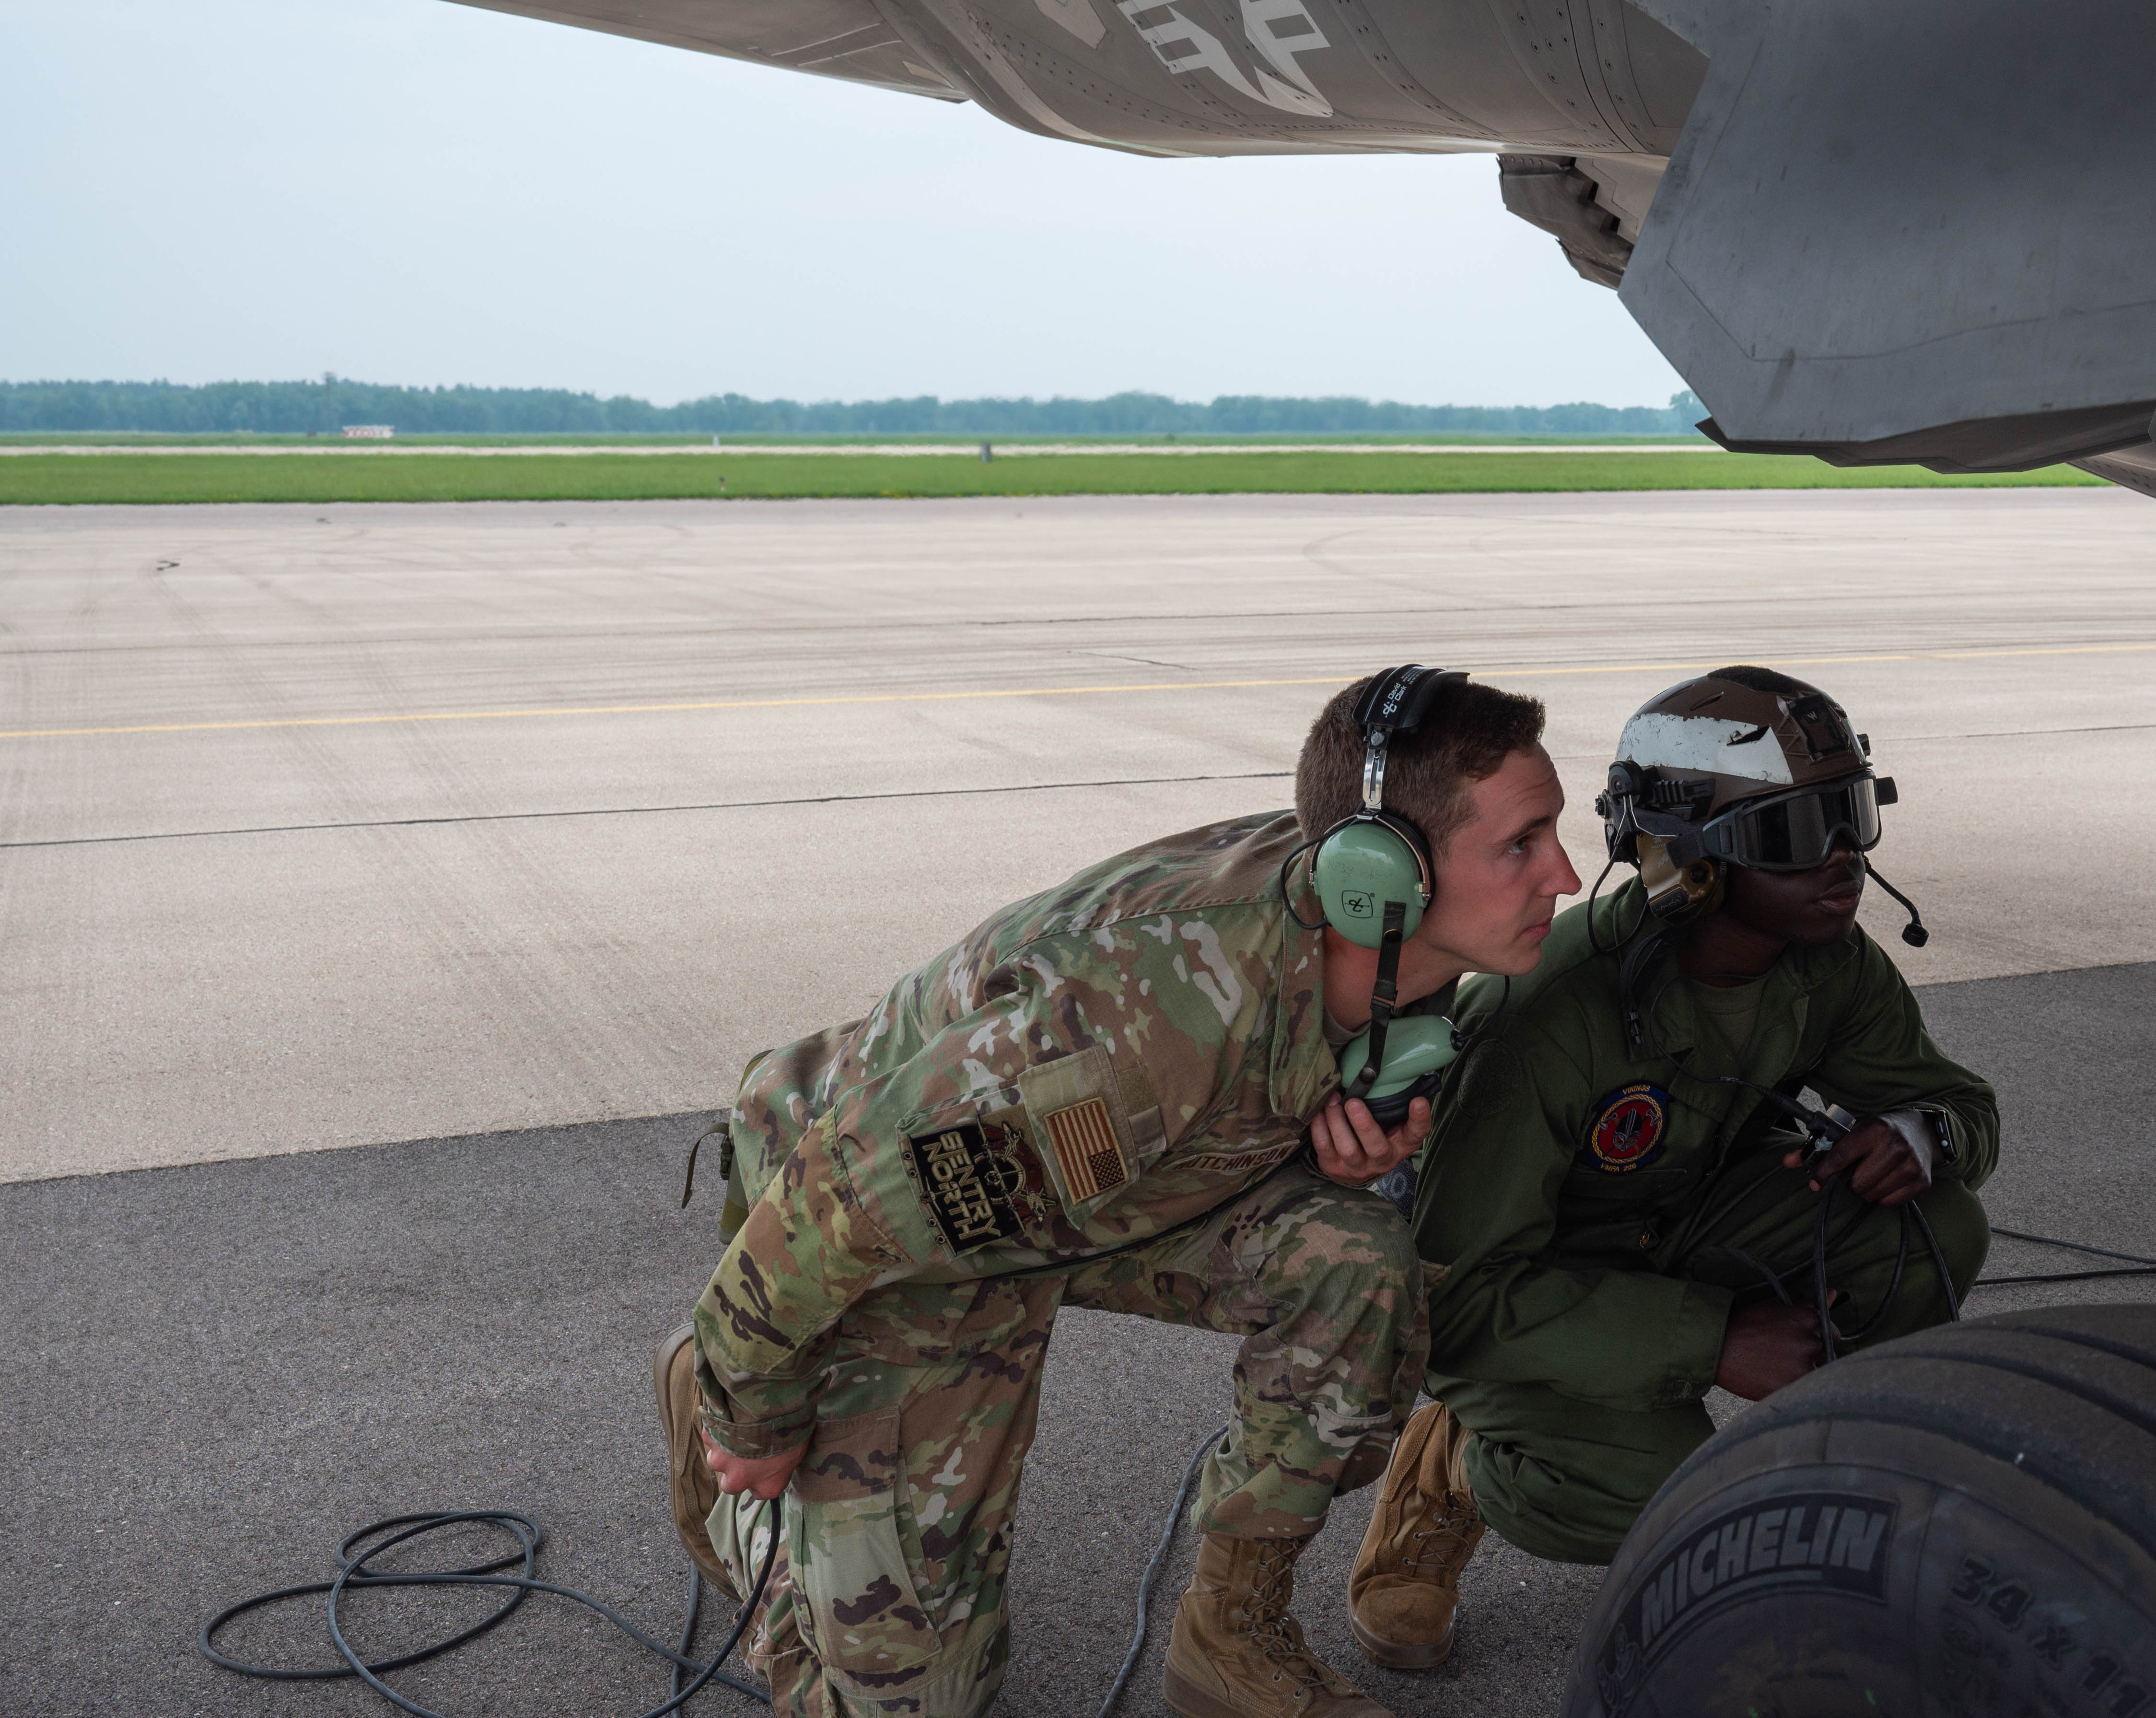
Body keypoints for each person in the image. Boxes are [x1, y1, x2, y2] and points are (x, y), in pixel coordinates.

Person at [653, 666, 1585, 1718]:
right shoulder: (1134, 1032)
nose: (1568, 872)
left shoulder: (1391, 936)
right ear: (1380, 876)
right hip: (913, 1225)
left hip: (1113, 1179)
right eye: (1523, 843)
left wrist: (1324, 1160)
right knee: (917, 1703)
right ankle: (718, 1430)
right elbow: (827, 1214)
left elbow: (1224, 1111)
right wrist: (755, 1411)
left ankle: (1229, 1637)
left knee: (1355, 1266)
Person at [1344, 666, 1996, 1667]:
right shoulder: (1548, 1020)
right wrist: (1715, 1335)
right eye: (1790, 832)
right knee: (1668, 1491)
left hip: (1680, 1225)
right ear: (1691, 859)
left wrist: (1922, 1136)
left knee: (1932, 1228)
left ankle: (1849, 1497)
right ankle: (1458, 1465)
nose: (1839, 862)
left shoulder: (1826, 959)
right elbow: (1454, 1299)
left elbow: (1958, 1103)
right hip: (1528, 1286)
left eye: (1848, 817)